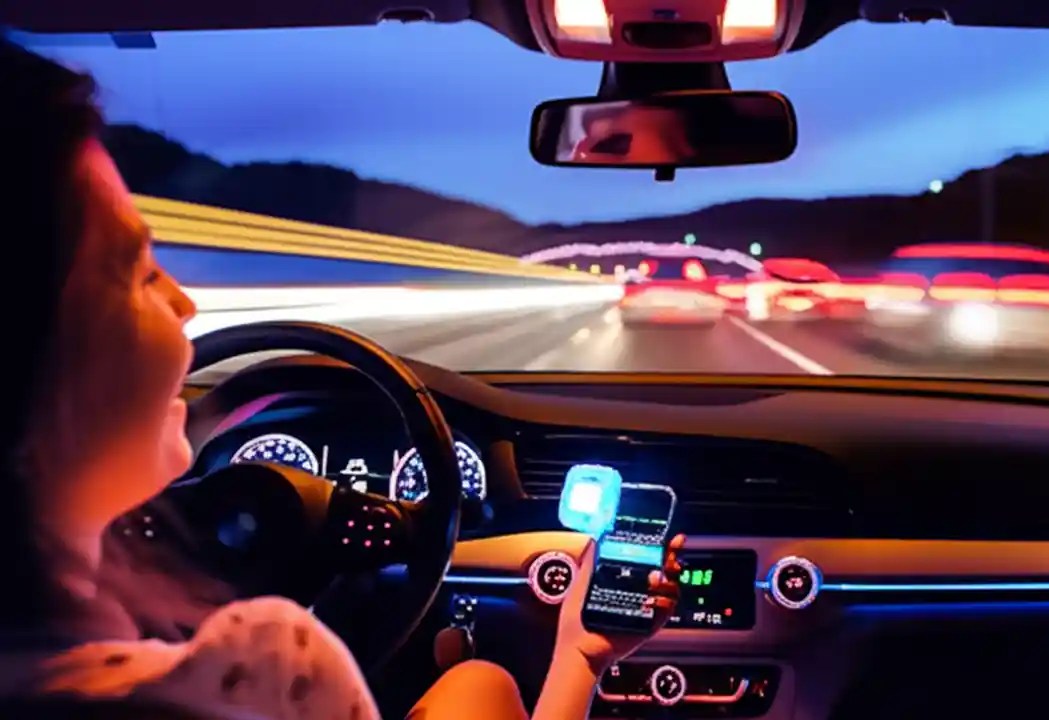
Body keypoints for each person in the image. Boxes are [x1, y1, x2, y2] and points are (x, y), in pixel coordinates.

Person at [0, 39, 683, 720]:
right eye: (140, 270)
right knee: (481, 683)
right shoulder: (265, 671)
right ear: (35, 358)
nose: (185, 303)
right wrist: (578, 660)